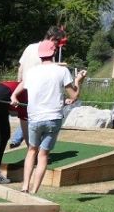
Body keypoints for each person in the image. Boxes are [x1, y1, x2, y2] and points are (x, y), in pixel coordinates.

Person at [11, 42, 86, 194]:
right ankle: (34, 191)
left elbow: (22, 84)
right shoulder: (62, 71)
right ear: (53, 53)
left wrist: (14, 95)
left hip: (34, 117)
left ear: (40, 55)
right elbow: (74, 96)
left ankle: (25, 186)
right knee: (43, 155)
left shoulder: (32, 72)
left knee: (32, 150)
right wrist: (78, 81)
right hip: (53, 118)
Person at [12, 26, 68, 148]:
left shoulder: (29, 47)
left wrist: (18, 86)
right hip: (38, 92)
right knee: (41, 121)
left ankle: (29, 149)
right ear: (52, 38)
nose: (57, 47)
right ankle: (37, 152)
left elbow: (20, 69)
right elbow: (48, 75)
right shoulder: (47, 52)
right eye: (57, 43)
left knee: (26, 121)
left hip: (24, 88)